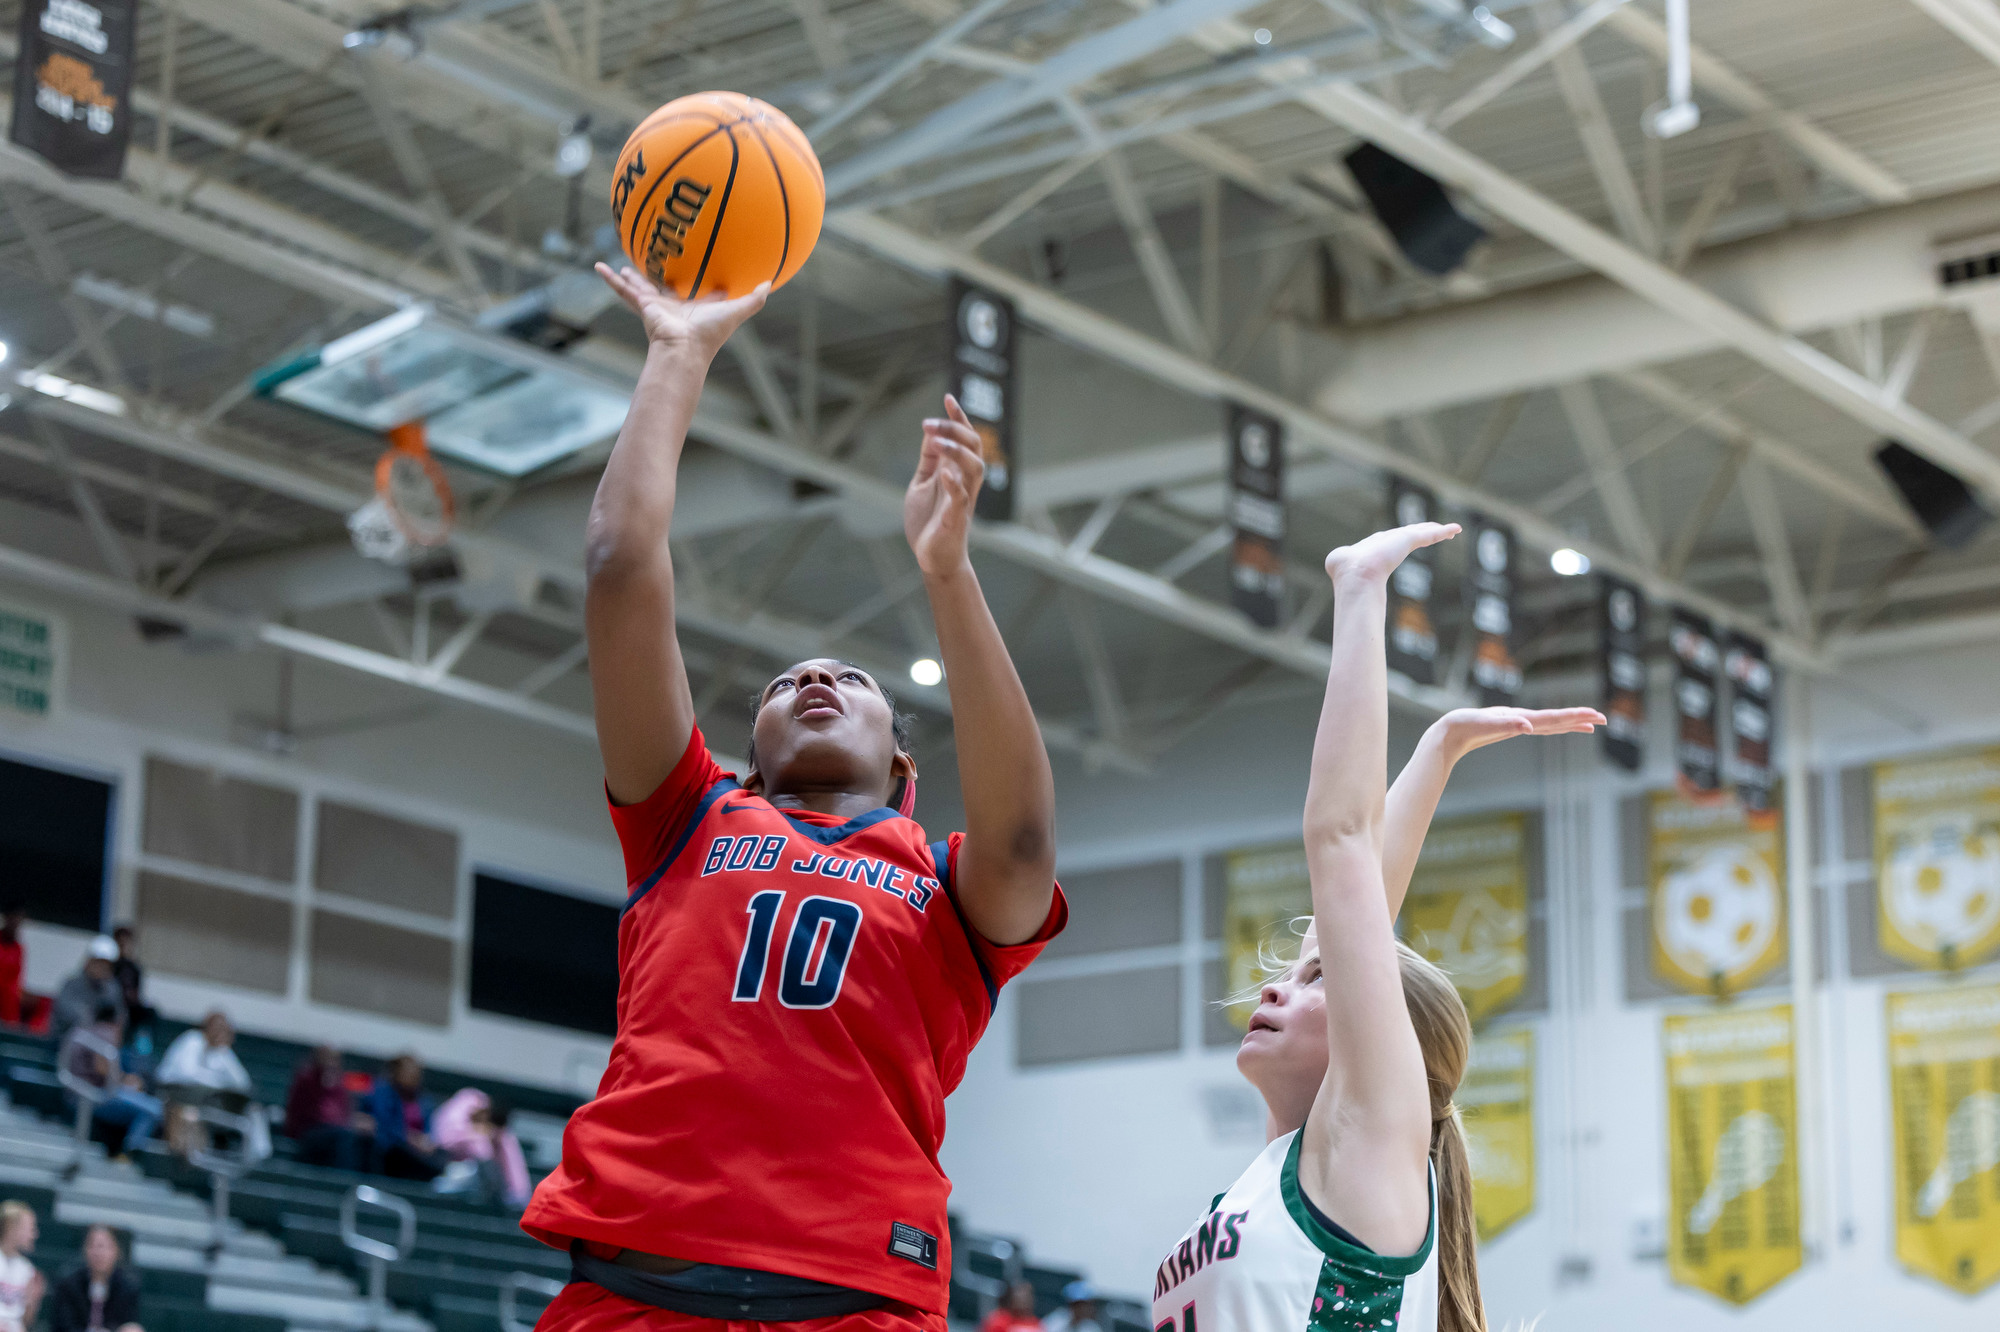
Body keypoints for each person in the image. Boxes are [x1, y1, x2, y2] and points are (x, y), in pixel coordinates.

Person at [522, 265, 1065, 1330]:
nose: (814, 680)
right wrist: (677, 355)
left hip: (853, 1295)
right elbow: (618, 564)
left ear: (905, 777)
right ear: (746, 755)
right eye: (784, 684)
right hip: (637, 1287)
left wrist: (947, 572)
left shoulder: (945, 883)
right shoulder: (687, 820)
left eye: (848, 681)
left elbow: (1027, 833)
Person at [1150, 523, 1604, 1332]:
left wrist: (1360, 590)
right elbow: (1349, 903)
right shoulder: (1291, 1166)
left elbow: (1342, 847)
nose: (1276, 981)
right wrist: (1439, 749)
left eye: (1312, 980)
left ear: (1382, 1036)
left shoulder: (1369, 1148)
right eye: (1297, 972)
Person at [61, 1004, 162, 1158]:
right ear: (119, 1020)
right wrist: (126, 1080)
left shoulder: (82, 1030)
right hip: (94, 1095)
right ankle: (130, 1154)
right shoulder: (106, 1032)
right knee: (154, 1109)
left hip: (78, 1093)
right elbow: (102, 1068)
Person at [156, 1012, 253, 1157]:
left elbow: (243, 1082)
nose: (219, 1032)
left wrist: (224, 1049)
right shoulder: (193, 1039)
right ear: (207, 1026)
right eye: (217, 1027)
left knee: (244, 1106)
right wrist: (220, 1082)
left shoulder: (220, 1052)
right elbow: (188, 1075)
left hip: (198, 1100)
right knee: (196, 1103)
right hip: (172, 1093)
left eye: (224, 1029)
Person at [432, 1087, 531, 1208]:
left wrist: (519, 1197)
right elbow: (444, 1139)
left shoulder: (503, 1136)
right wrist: (478, 1137)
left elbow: (515, 1169)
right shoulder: (466, 1103)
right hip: (441, 1162)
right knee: (463, 1171)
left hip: (474, 1181)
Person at [283, 1046, 373, 1173]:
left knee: (365, 1139)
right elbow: (310, 1114)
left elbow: (343, 1113)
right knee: (344, 1136)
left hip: (333, 1131)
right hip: (308, 1132)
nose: (331, 1063)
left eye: (334, 1060)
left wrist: (354, 1122)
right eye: (327, 1058)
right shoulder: (306, 1080)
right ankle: (343, 1179)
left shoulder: (339, 1085)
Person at [364, 1055, 448, 1182]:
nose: (413, 1077)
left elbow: (429, 1129)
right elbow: (383, 1124)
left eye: (416, 1074)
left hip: (419, 1148)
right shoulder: (383, 1092)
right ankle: (441, 1177)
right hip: (394, 1146)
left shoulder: (424, 1100)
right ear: (396, 1073)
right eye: (408, 1072)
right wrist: (408, 1138)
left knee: (443, 1153)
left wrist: (427, 1141)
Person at [48, 1225, 141, 1332]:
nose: (98, 1253)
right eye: (92, 1246)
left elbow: (127, 1322)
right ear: (85, 1250)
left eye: (104, 1247)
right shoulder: (69, 1285)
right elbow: (63, 1326)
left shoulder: (126, 1288)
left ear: (116, 1251)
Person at [51, 937, 125, 1046]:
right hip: (65, 1043)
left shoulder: (112, 989)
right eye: (99, 963)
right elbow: (69, 1015)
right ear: (89, 962)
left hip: (100, 1045)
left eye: (107, 965)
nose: (102, 969)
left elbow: (119, 1018)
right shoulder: (72, 985)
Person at [0, 1200, 43, 1332]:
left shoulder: (27, 1269)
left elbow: (26, 1322)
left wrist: (33, 1302)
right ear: (12, 1228)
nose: (35, 1234)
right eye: (31, 1228)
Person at [109, 927, 153, 1054]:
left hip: (130, 1006)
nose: (124, 946)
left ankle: (140, 1048)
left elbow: (137, 991)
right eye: (121, 942)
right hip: (111, 1004)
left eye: (127, 943)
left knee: (149, 1013)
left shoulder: (134, 968)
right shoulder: (110, 965)